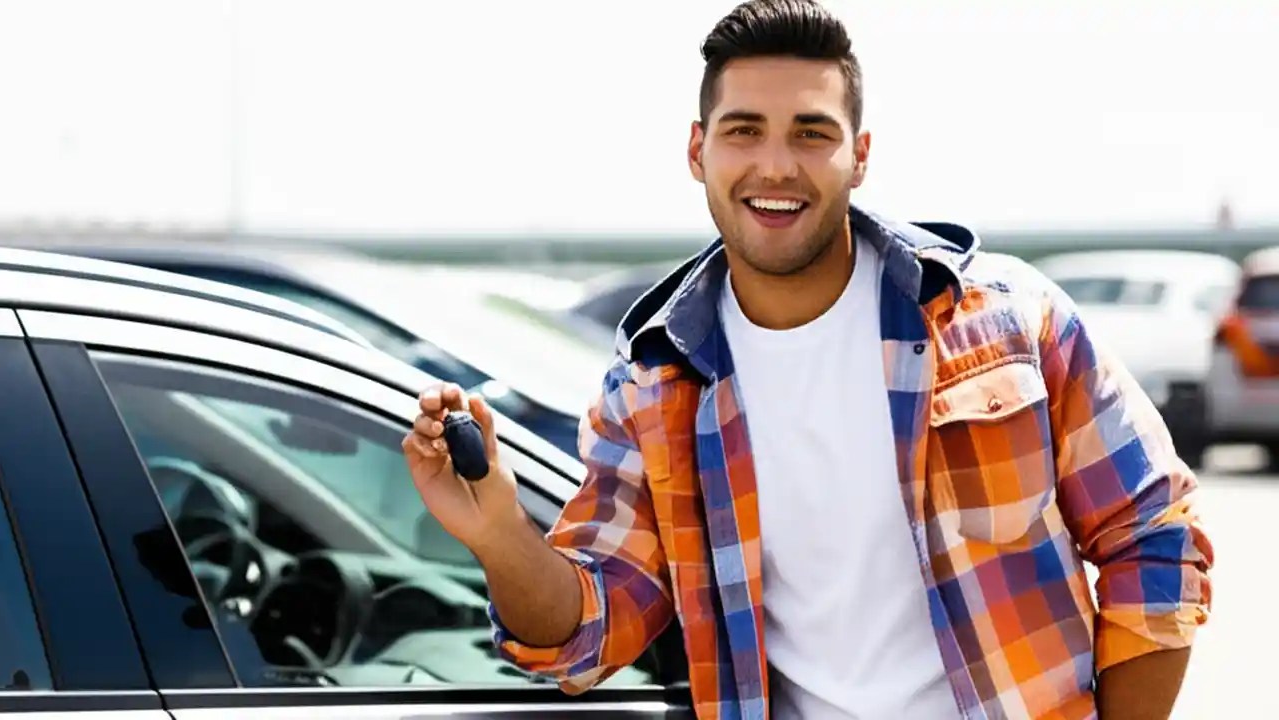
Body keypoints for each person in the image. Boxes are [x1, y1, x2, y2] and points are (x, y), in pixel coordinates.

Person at [402, 0, 1214, 717]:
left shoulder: (1004, 316)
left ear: (859, 153)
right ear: (698, 151)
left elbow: (1156, 534)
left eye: (812, 133)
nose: (777, 165)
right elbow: (589, 635)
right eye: (744, 131)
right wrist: (501, 532)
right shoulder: (654, 385)